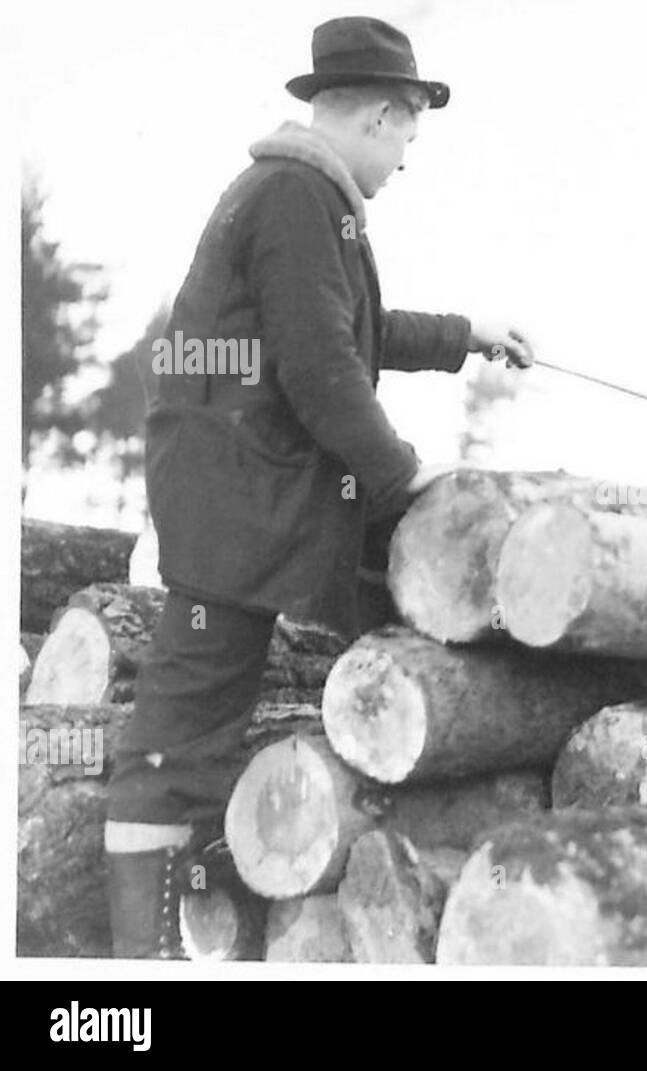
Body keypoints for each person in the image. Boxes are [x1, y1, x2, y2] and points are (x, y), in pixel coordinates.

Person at [104, 15, 534, 957]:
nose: (406, 160)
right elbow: (320, 367)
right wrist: (402, 477)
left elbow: (356, 334)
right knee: (170, 748)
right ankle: (129, 974)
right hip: (235, 507)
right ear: (382, 115)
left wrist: (468, 333)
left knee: (208, 732)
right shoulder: (296, 198)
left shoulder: (298, 194)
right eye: (409, 135)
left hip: (250, 497)